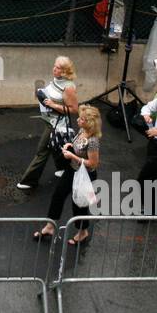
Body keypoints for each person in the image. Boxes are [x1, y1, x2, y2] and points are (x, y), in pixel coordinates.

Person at [32, 104, 101, 247]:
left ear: (89, 123)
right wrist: (69, 145)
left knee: (79, 205)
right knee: (58, 195)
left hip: (84, 176)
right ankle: (50, 227)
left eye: (81, 119)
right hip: (72, 170)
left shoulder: (93, 141)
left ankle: (83, 232)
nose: (78, 121)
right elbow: (76, 145)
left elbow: (93, 164)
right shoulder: (82, 131)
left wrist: (73, 157)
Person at [14, 56, 78, 192]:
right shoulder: (57, 80)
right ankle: (64, 169)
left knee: (42, 151)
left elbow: (73, 109)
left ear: (65, 71)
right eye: (54, 66)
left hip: (56, 124)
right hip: (50, 120)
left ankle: (29, 181)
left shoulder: (68, 87)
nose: (54, 69)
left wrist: (53, 104)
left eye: (58, 68)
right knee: (56, 146)